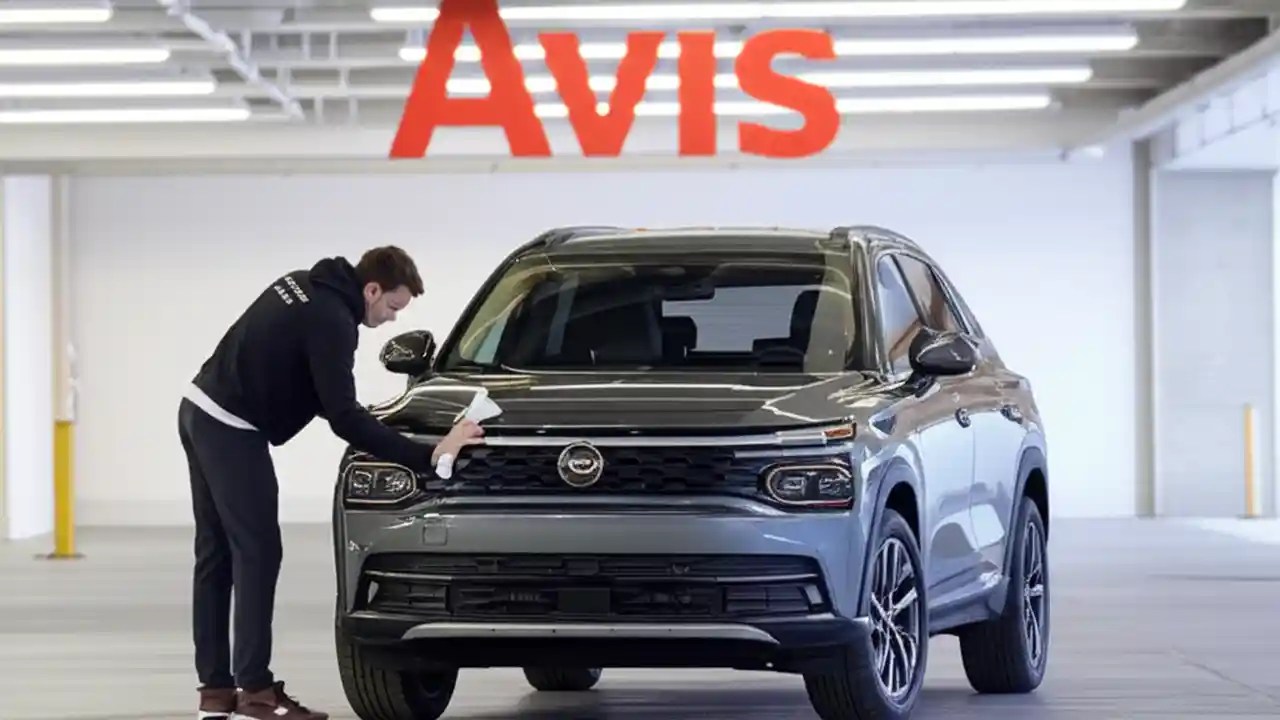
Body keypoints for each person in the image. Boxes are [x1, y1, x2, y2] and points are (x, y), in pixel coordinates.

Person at [177, 247, 483, 720]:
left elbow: (320, 389)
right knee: (258, 553)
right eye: (392, 307)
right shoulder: (334, 321)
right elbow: (342, 416)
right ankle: (255, 693)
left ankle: (216, 694)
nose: (389, 319)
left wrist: (376, 421)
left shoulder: (305, 284)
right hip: (232, 429)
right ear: (372, 289)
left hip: (198, 408)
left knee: (217, 557)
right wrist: (429, 454)